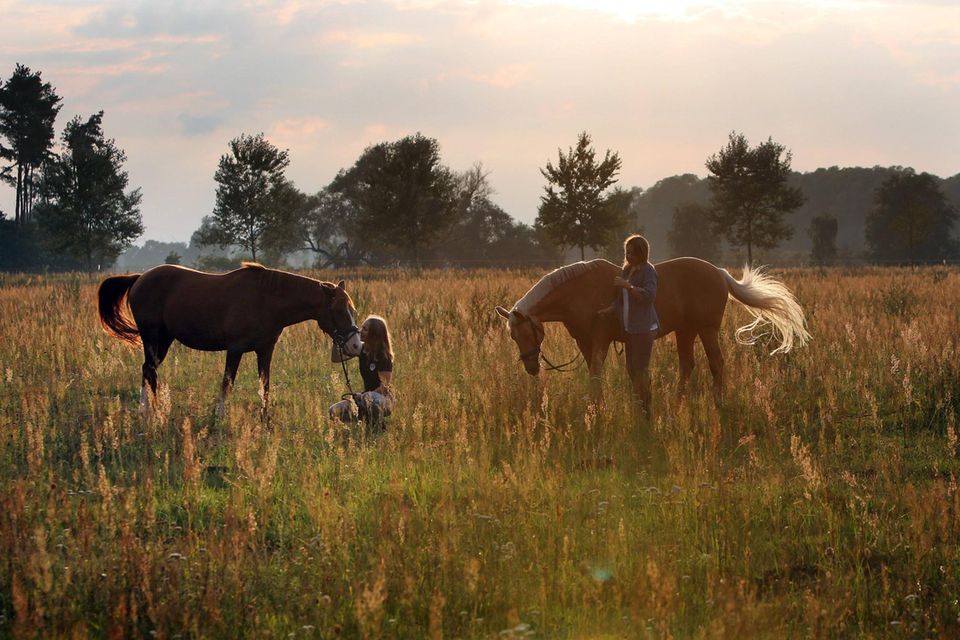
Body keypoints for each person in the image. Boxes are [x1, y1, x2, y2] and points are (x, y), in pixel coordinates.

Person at [612, 234, 659, 417]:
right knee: (631, 368)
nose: (628, 256)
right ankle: (639, 404)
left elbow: (649, 296)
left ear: (642, 253)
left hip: (644, 328)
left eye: (632, 253)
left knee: (641, 368)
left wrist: (628, 286)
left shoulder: (648, 271)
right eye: (627, 252)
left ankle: (647, 408)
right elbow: (621, 300)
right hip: (630, 328)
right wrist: (609, 310)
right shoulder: (627, 270)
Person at [328, 315, 395, 429]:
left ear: (374, 333)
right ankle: (366, 420)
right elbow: (336, 358)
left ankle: (379, 426)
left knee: (369, 397)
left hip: (383, 400)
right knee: (333, 411)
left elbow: (384, 387)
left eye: (365, 329)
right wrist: (336, 340)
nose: (360, 331)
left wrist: (362, 396)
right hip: (366, 397)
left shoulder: (384, 356)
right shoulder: (362, 349)